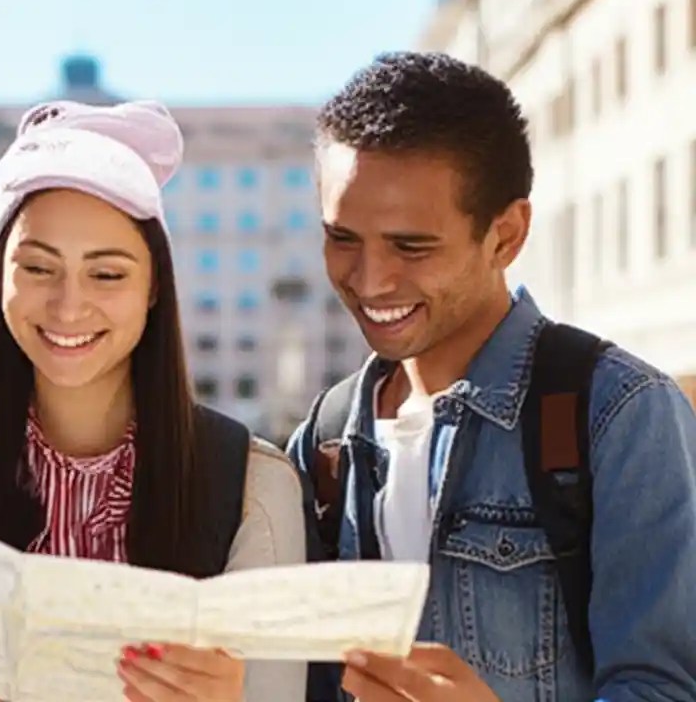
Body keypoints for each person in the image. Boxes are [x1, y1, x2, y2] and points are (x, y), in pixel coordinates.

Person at [289, 51, 696, 701]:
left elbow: (666, 688)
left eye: (410, 246)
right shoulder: (327, 437)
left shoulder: (621, 413)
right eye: (342, 238)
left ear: (505, 235)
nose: (369, 281)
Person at [0, 99, 308, 701]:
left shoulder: (253, 487)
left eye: (106, 275)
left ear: (154, 288)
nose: (69, 306)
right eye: (38, 268)